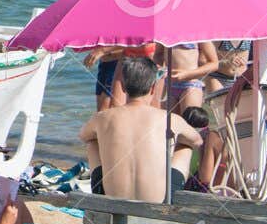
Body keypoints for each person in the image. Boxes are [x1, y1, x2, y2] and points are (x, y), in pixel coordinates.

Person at [79, 55, 201, 202]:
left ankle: (104, 193)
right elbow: (197, 141)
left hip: (112, 201)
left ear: (123, 87)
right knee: (185, 147)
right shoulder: (170, 118)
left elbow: (83, 136)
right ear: (153, 88)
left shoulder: (103, 117)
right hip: (159, 204)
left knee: (92, 143)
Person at [165, 41, 222, 113]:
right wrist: (160, 68)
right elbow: (158, 55)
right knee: (170, 119)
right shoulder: (164, 35)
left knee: (190, 118)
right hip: (169, 85)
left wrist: (187, 74)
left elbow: (214, 64)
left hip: (191, 85)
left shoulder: (197, 36)